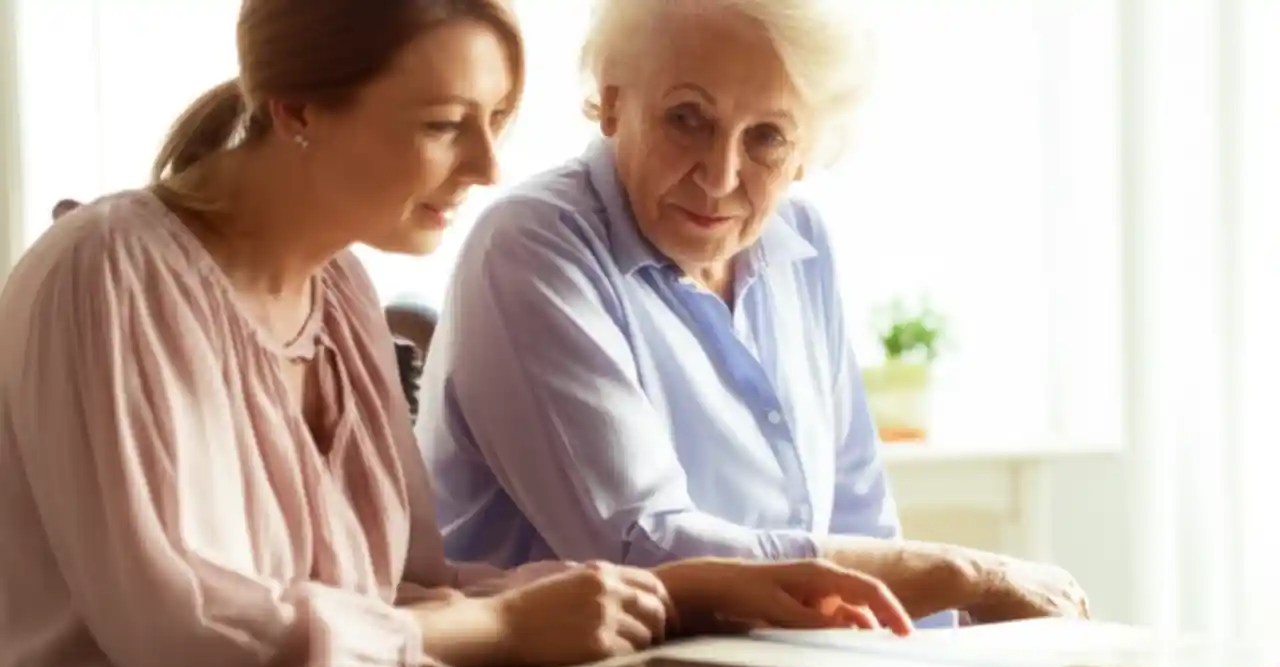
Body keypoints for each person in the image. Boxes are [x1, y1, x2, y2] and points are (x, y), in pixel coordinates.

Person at [0, 2, 913, 667]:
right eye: (444, 124)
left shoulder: (341, 291)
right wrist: (502, 624)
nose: (484, 167)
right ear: (297, 108)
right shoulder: (112, 271)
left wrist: (686, 590)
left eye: (498, 121)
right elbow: (189, 656)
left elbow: (406, 593)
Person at [419, 0, 1090, 627]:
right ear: (614, 103)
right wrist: (967, 576)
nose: (719, 175)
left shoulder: (802, 247)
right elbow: (643, 550)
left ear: (804, 154)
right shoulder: (534, 244)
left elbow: (859, 520)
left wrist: (955, 640)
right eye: (687, 118)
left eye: (767, 136)